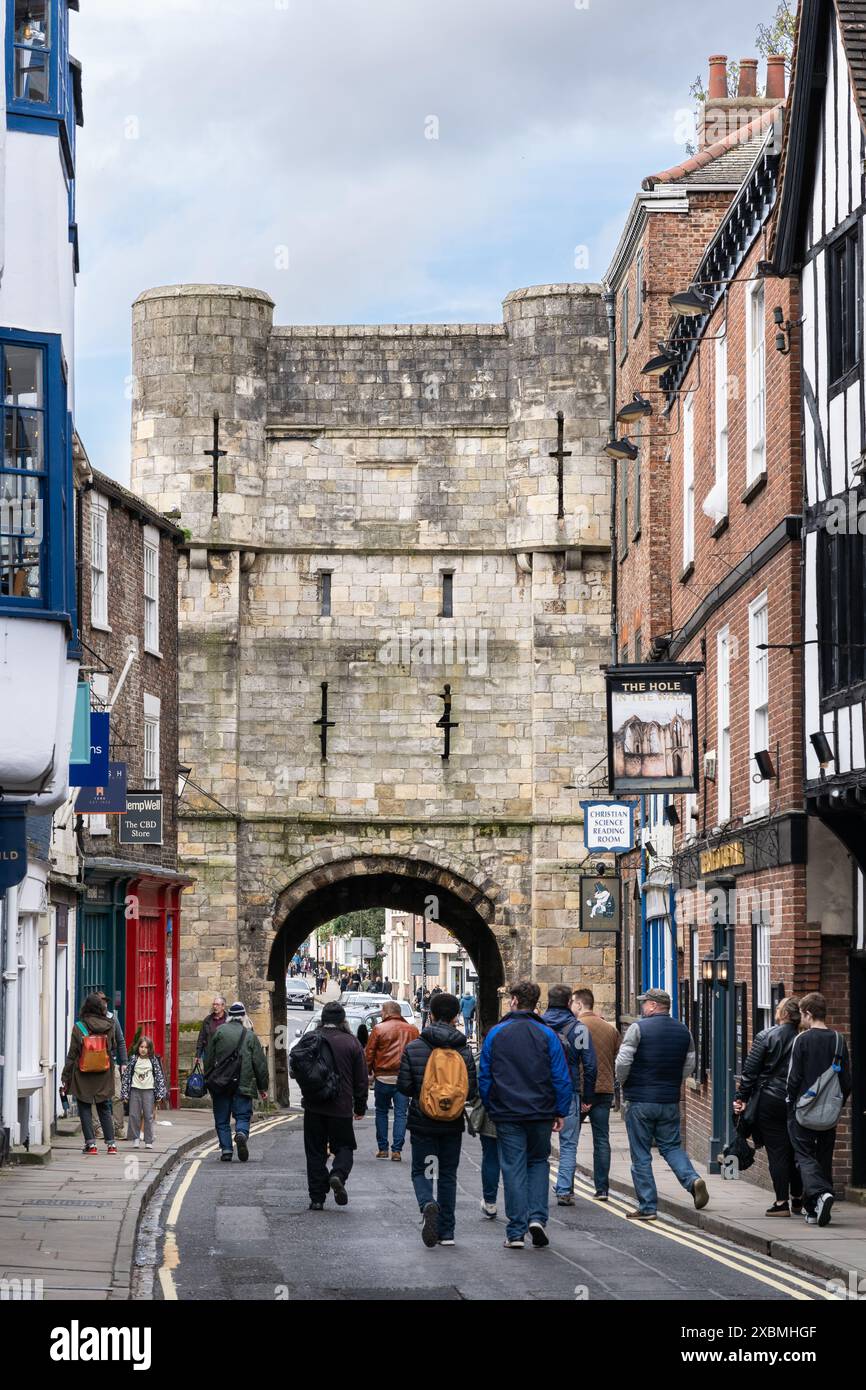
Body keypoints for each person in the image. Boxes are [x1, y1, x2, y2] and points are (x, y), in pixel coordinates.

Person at [478, 980, 571, 1249]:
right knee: (539, 1162)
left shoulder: (496, 1033)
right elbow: (561, 1076)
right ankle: (537, 1218)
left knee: (513, 1167)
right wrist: (561, 1110)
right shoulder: (548, 1034)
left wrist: (491, 1105)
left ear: (515, 1001)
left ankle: (516, 1231)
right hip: (541, 1112)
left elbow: (485, 1075)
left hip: (507, 1112)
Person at [615, 987, 708, 1221]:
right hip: (668, 1100)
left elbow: (623, 1062)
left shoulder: (638, 1028)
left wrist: (624, 1082)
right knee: (672, 1147)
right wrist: (673, 1081)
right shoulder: (683, 1030)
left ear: (654, 1005)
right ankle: (692, 1180)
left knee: (641, 1155)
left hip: (640, 1101)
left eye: (645, 1003)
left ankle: (647, 1207)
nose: (643, 1006)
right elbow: (690, 1064)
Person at [398, 991, 477, 1247]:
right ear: (456, 1016)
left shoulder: (415, 1047)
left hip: (423, 1120)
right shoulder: (463, 1050)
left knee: (422, 1170)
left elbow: (404, 1087)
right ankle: (447, 1233)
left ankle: (427, 1203)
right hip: (451, 1122)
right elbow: (471, 1091)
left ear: (430, 1014)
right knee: (447, 1175)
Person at [785, 992, 852, 1227]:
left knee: (804, 1156)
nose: (801, 1019)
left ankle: (822, 1194)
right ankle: (814, 1209)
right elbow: (846, 1081)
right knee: (824, 1157)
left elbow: (794, 1078)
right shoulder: (838, 1040)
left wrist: (791, 1103)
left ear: (808, 1013)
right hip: (829, 1112)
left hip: (803, 1110)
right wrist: (836, 1105)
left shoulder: (801, 1040)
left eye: (802, 1014)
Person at [293, 1001, 368, 1210]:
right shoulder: (352, 1043)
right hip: (341, 1106)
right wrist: (360, 1106)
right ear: (343, 1020)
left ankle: (317, 1198)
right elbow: (361, 1080)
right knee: (344, 1147)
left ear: (323, 1019)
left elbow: (297, 1068)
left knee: (315, 1152)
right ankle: (338, 1175)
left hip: (314, 1105)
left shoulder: (310, 1038)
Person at [733, 997, 803, 1216]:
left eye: (779, 1007)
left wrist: (741, 1098)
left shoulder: (766, 1036)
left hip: (770, 1101)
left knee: (778, 1151)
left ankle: (781, 1202)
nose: (776, 1010)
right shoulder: (804, 1038)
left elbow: (750, 1072)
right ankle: (798, 1198)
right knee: (796, 1149)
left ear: (784, 1014)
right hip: (797, 1100)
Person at [541, 985, 597, 1206]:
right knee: (568, 1144)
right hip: (569, 1090)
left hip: (541, 1093)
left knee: (539, 1142)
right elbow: (590, 1066)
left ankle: (536, 1187)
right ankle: (564, 1190)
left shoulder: (538, 1026)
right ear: (568, 1003)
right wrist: (588, 1096)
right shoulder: (579, 1029)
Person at [203, 1001, 269, 1162]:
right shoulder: (250, 1035)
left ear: (229, 1016)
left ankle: (226, 1150)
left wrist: (209, 1078)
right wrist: (263, 1088)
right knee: (243, 1115)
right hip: (243, 1083)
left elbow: (209, 1057)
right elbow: (260, 1064)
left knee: (222, 1118)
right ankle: (241, 1133)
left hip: (221, 1082)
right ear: (243, 1017)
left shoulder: (219, 1031)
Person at [572, 988, 621, 1200]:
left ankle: (567, 1187)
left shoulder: (576, 1028)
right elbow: (618, 1058)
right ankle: (602, 1189)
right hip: (604, 1091)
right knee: (602, 1139)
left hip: (582, 1092)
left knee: (570, 1140)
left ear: (580, 1004)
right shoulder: (610, 1029)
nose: (571, 1007)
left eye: (572, 1003)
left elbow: (576, 1062)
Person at [61, 993, 118, 1156]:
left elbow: (72, 1054)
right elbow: (112, 1047)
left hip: (83, 1073)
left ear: (85, 1008)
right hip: (104, 1072)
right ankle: (111, 1145)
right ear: (101, 1008)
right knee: (104, 1106)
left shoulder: (79, 1027)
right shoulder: (110, 1025)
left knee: (85, 1107)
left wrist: (65, 1076)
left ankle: (91, 1145)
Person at [365, 1000, 419, 1160]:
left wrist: (367, 1073)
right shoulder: (413, 1030)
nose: (381, 1014)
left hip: (383, 1077)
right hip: (404, 1079)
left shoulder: (379, 1029)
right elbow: (417, 1054)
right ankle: (397, 1151)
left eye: (382, 1011)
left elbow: (369, 1054)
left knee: (381, 1112)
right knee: (401, 1114)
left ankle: (383, 1149)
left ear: (387, 1012)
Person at [121, 1035, 168, 1148]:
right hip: (135, 1090)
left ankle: (148, 1140)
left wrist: (160, 1094)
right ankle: (136, 1138)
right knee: (134, 1115)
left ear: (150, 1049)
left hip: (149, 1091)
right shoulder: (133, 1059)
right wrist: (125, 1093)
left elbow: (159, 1077)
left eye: (146, 1047)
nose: (143, 1049)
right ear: (138, 1047)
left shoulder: (153, 1060)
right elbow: (127, 1076)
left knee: (148, 1116)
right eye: (141, 1047)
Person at [96, 991, 128, 1141]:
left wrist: (124, 1062)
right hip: (93, 1064)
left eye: (105, 1001)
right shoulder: (88, 1020)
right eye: (101, 1001)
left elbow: (120, 1041)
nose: (104, 1004)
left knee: (117, 1095)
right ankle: (97, 1128)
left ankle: (118, 1127)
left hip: (111, 1062)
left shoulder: (112, 1018)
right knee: (94, 1096)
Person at [195, 995, 228, 1060]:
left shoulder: (228, 1020)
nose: (215, 1006)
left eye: (217, 1004)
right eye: (214, 1004)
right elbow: (201, 1037)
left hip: (224, 1055)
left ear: (223, 1006)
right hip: (210, 1055)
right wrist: (198, 1055)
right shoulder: (208, 1020)